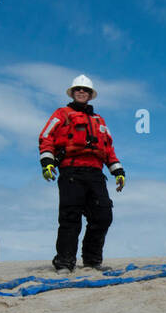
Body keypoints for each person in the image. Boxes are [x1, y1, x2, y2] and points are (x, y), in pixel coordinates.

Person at [38, 75, 126, 272]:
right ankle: (64, 262)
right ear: (72, 92)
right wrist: (47, 162)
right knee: (70, 218)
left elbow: (108, 149)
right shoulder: (61, 114)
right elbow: (46, 137)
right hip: (71, 171)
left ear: (90, 95)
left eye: (85, 90)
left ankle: (92, 261)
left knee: (103, 216)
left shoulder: (99, 120)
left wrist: (118, 171)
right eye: (78, 89)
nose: (81, 92)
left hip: (95, 173)